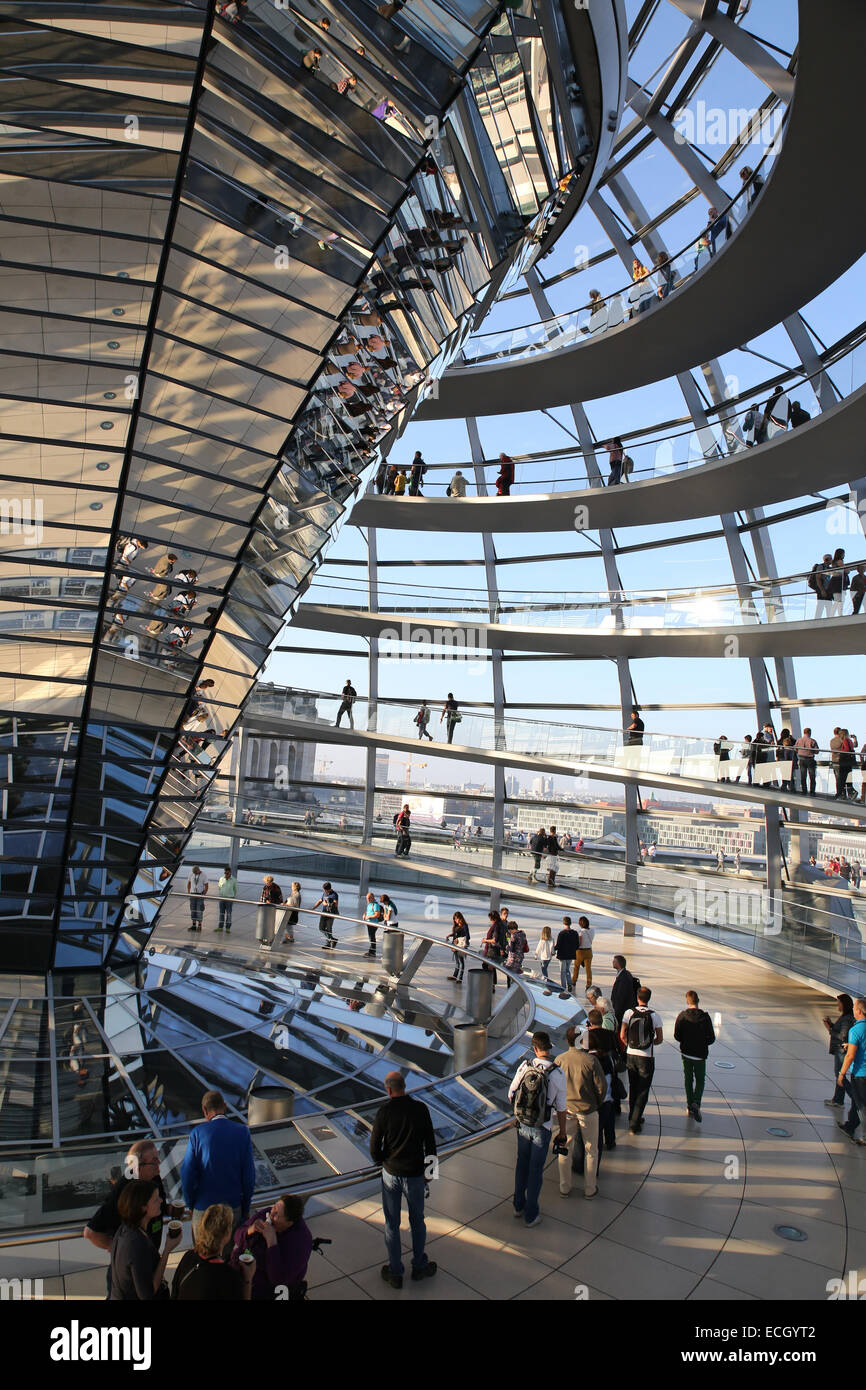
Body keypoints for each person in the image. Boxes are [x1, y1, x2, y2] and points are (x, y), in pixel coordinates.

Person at [370, 1071, 438, 1287]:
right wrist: (430, 1173)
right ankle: (419, 1266)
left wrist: (383, 1161)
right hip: (416, 1175)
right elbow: (430, 1142)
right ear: (404, 1086)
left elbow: (374, 1148)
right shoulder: (420, 1109)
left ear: (388, 1089)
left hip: (391, 1174)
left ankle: (396, 1272)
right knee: (418, 1221)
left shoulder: (384, 1112)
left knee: (392, 1223)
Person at [84, 1141, 168, 1295]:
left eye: (158, 1157)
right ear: (137, 1167)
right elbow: (90, 1233)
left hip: (149, 1262)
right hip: (128, 1275)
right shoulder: (123, 1192)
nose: (159, 1163)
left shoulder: (153, 1178)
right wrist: (118, 1249)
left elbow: (161, 1206)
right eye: (154, 1160)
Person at [508, 1032, 567, 1227]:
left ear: (534, 1049)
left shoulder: (525, 1067)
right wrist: (563, 1132)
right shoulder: (557, 1074)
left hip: (523, 1124)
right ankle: (531, 1215)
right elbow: (561, 1107)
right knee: (535, 1170)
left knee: (521, 1164)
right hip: (543, 1126)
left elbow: (511, 1093)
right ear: (549, 1048)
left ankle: (518, 1205)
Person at [181, 1090, 255, 1238]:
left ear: (204, 1110)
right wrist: (245, 1207)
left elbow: (187, 1174)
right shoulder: (242, 1132)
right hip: (232, 1208)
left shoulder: (197, 1133)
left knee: (202, 1255)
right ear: (225, 1106)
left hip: (203, 1208)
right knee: (229, 1258)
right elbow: (249, 1176)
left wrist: (191, 1204)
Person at [555, 1024, 606, 1198]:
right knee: (591, 1150)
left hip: (566, 1110)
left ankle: (564, 1187)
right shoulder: (591, 1061)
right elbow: (601, 1087)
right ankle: (590, 1188)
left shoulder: (560, 1060)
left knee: (565, 1146)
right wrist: (596, 1103)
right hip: (588, 1109)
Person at [229, 1195, 314, 1299]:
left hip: (263, 1288)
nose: (271, 1214)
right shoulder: (266, 1214)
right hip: (239, 1271)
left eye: (277, 1214)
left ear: (289, 1222)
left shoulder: (301, 1241)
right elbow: (237, 1236)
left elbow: (278, 1279)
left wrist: (272, 1242)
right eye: (274, 1207)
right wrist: (249, 1231)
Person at [109, 1180, 181, 1301]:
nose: (161, 1201)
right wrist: (167, 1250)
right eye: (155, 1199)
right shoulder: (136, 1243)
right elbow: (147, 1294)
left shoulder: (125, 1229)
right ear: (143, 1208)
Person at [172, 1205, 252, 1301]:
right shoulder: (229, 1276)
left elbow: (175, 1292)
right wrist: (248, 1278)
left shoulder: (188, 1257)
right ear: (227, 1234)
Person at [620, 986, 663, 1135]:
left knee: (633, 1087)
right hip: (646, 1057)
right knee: (643, 1091)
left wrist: (629, 1045)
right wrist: (649, 1044)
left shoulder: (629, 1013)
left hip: (631, 1055)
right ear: (648, 998)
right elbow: (660, 1038)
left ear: (637, 997)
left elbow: (622, 1035)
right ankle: (635, 1122)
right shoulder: (654, 1015)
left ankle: (633, 1115)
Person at [673, 990, 716, 1122]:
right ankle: (696, 1102)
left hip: (686, 1053)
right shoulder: (705, 1017)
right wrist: (702, 1043)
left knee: (688, 1079)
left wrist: (685, 1042)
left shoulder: (682, 1016)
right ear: (698, 1001)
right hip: (700, 1055)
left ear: (687, 1001)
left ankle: (689, 1104)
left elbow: (676, 1035)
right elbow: (711, 1038)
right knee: (700, 1080)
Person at [836, 997, 866, 1145]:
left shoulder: (856, 1029)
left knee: (861, 1106)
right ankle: (850, 1127)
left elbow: (850, 1056)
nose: (853, 1009)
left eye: (854, 1007)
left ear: (859, 1011)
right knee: (856, 1102)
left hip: (861, 1074)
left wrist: (841, 1074)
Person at [823, 994, 856, 1109]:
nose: (837, 1005)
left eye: (839, 1003)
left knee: (839, 1074)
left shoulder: (847, 1018)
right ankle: (838, 1100)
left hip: (841, 1050)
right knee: (839, 1075)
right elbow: (841, 1031)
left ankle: (855, 1098)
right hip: (839, 1050)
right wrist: (831, 1025)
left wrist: (829, 1030)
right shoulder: (845, 1017)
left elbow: (843, 1036)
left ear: (844, 1004)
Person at [552, 915, 580, 999]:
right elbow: (577, 945)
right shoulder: (575, 933)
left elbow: (558, 945)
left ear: (564, 923)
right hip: (570, 955)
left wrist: (553, 949)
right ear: (570, 923)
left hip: (562, 955)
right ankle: (570, 984)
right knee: (567, 970)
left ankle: (563, 986)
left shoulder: (562, 933)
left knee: (562, 971)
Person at [257, 874, 284, 950]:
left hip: (273, 908)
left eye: (268, 882)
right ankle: (264, 937)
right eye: (266, 882)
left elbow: (280, 899)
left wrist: (272, 902)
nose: (267, 883)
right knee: (265, 923)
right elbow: (262, 897)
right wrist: (262, 904)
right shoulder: (265, 887)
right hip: (266, 908)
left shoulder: (276, 888)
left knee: (272, 923)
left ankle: (270, 938)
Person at [610, 954, 639, 1024]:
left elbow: (621, 996)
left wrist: (616, 1012)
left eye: (614, 961)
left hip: (622, 1012)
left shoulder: (623, 977)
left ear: (618, 963)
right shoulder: (624, 974)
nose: (612, 962)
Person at [481, 909, 505, 989]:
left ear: (493, 918)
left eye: (490, 919)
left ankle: (491, 984)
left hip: (492, 950)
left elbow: (495, 939)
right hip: (493, 950)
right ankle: (491, 984)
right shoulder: (500, 925)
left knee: (488, 966)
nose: (490, 920)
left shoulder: (496, 926)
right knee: (490, 966)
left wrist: (485, 940)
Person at [313, 881, 339, 948]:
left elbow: (336, 904)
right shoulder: (324, 893)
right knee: (321, 928)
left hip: (331, 914)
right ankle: (332, 939)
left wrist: (327, 904)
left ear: (329, 889)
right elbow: (320, 901)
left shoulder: (334, 894)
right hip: (324, 913)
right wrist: (313, 908)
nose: (324, 891)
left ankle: (328, 944)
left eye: (325, 890)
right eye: (324, 890)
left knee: (329, 928)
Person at [504, 917, 529, 985]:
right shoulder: (523, 934)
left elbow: (511, 948)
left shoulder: (513, 936)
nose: (509, 931)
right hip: (520, 956)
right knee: (515, 974)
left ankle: (511, 988)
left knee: (509, 973)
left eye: (509, 930)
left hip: (513, 958)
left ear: (511, 929)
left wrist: (507, 944)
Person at [572, 914, 594, 988]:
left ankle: (574, 980)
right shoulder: (592, 930)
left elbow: (579, 943)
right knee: (588, 969)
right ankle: (589, 983)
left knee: (576, 967)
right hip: (589, 951)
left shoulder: (580, 932)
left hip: (580, 952)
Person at [446, 911, 470, 982]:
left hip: (461, 946)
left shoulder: (464, 926)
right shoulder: (456, 926)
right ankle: (455, 975)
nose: (456, 920)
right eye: (455, 919)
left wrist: (459, 940)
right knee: (457, 962)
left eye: (457, 918)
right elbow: (455, 934)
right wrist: (449, 936)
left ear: (461, 918)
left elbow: (468, 936)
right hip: (455, 945)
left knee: (461, 962)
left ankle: (460, 977)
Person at [795, 727, 819, 795]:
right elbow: (817, 751)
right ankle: (812, 791)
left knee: (803, 776)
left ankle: (804, 791)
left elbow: (796, 749)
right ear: (810, 733)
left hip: (801, 759)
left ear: (804, 732)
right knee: (812, 776)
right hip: (810, 760)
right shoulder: (812, 741)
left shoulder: (799, 740)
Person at [186, 865, 208, 931]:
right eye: (194, 873)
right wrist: (189, 892)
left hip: (200, 895)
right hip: (192, 894)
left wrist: (204, 894)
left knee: (199, 910)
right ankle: (193, 925)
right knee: (193, 910)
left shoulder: (204, 875)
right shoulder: (191, 874)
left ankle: (199, 925)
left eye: (196, 872)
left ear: (199, 870)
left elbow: (206, 885)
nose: (195, 874)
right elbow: (189, 883)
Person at [364, 890, 384, 957]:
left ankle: (372, 952)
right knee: (371, 937)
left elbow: (377, 915)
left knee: (372, 937)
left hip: (373, 924)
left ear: (373, 898)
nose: (368, 899)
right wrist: (365, 915)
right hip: (369, 923)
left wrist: (368, 916)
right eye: (367, 898)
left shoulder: (375, 905)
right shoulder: (370, 904)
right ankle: (371, 951)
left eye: (369, 898)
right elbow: (368, 912)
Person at [545, 825, 560, 889]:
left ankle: (550, 881)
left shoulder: (549, 837)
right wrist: (562, 849)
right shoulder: (553, 837)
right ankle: (551, 881)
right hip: (553, 854)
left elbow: (548, 845)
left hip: (550, 854)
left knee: (552, 868)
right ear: (554, 831)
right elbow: (556, 846)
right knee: (553, 868)